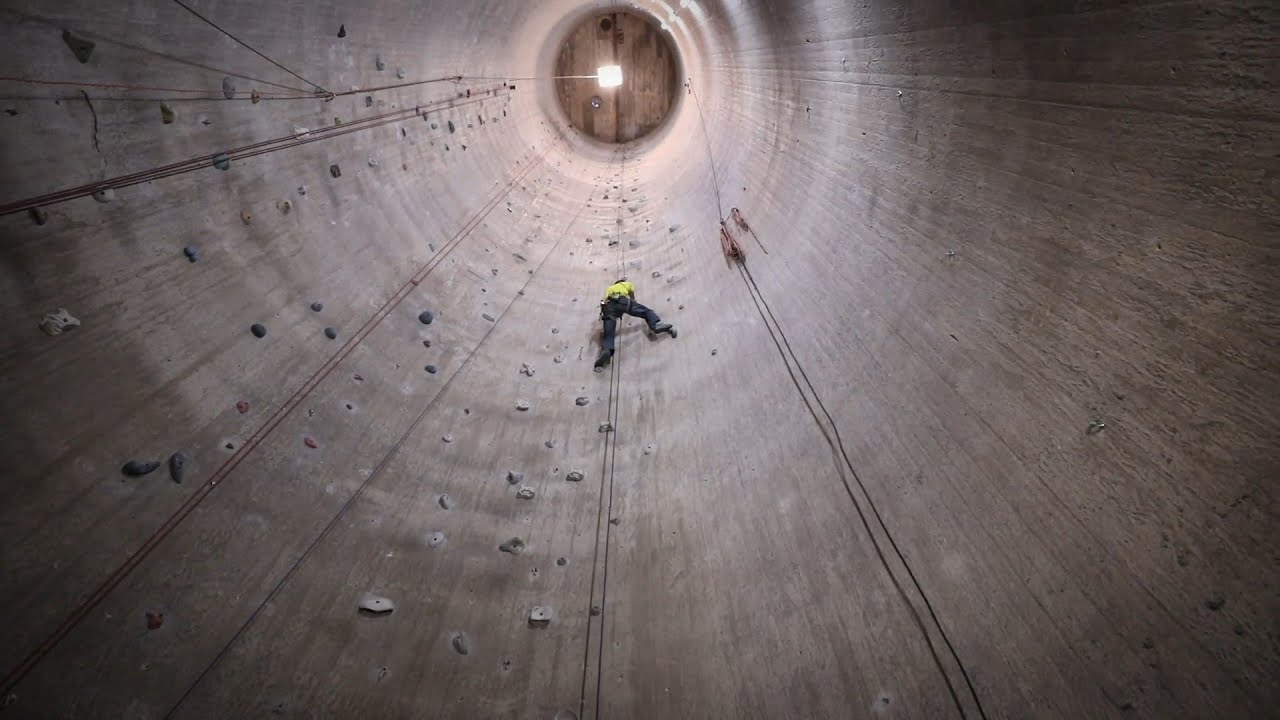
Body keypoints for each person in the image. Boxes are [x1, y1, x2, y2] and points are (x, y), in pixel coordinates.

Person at [594, 278, 676, 369]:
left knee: (608, 334)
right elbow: (632, 297)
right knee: (646, 312)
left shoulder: (609, 288)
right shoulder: (626, 284)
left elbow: (604, 301)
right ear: (622, 282)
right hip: (622, 302)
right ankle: (656, 324)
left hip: (609, 308)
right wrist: (633, 304)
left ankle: (607, 350)